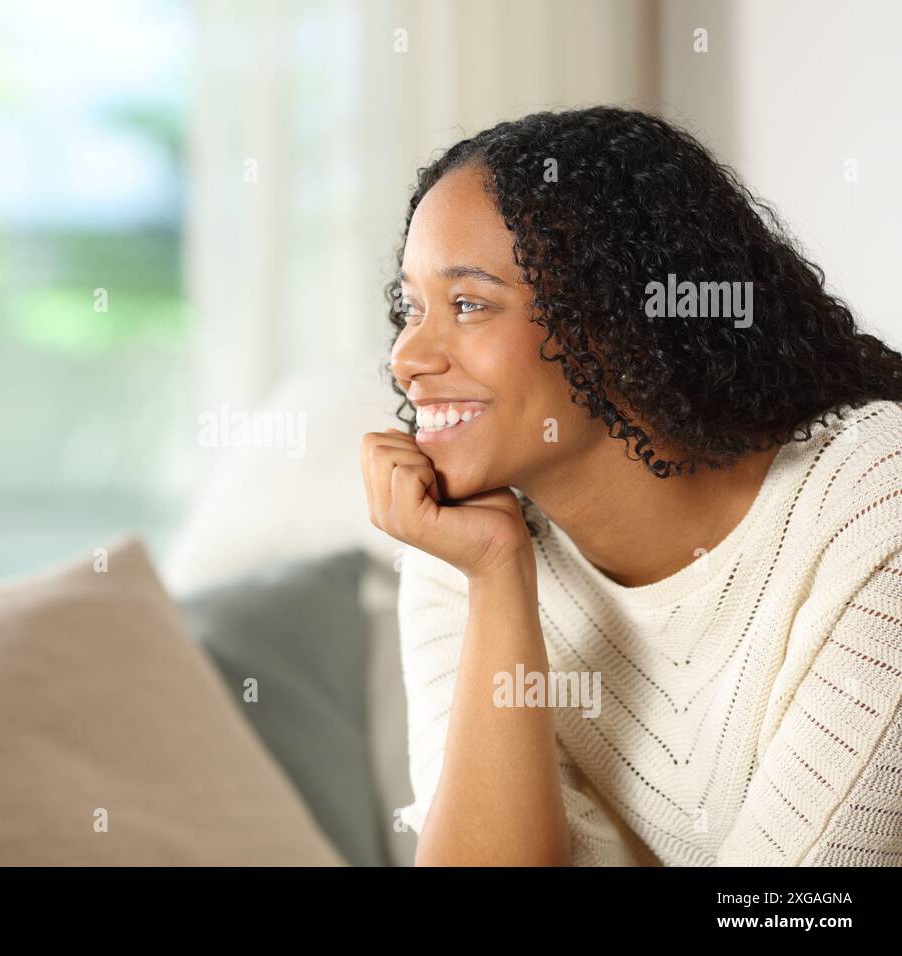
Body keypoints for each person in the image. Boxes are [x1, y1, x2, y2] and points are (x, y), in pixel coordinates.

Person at [360, 106, 902, 866]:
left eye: (468, 305)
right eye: (409, 309)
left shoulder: (877, 504)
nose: (407, 357)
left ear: (615, 321)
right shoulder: (467, 547)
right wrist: (495, 573)